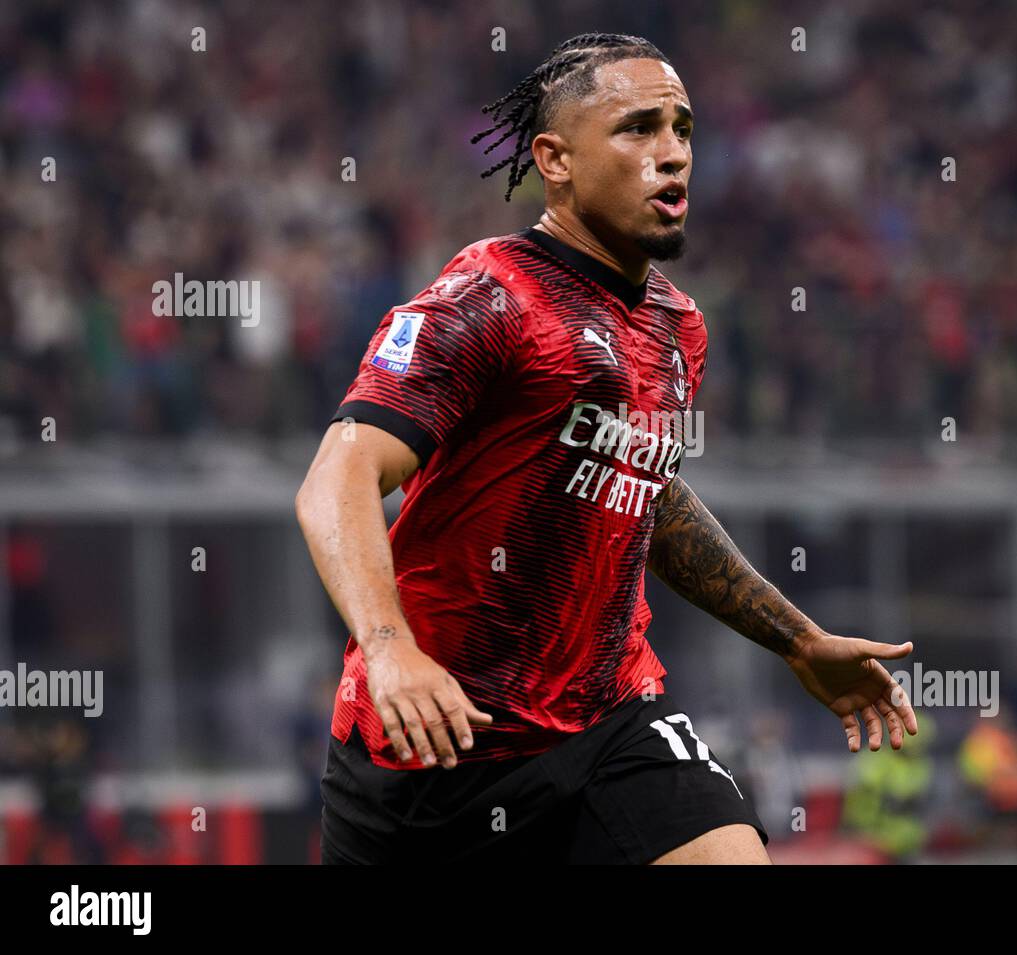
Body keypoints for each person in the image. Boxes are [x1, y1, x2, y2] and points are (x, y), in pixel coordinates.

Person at [296, 32, 918, 865]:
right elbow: (337, 475)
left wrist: (797, 638)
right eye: (638, 128)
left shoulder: (677, 325)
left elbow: (643, 490)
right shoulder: (486, 298)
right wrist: (388, 647)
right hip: (435, 741)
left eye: (683, 129)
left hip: (609, 723)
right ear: (555, 159)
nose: (673, 153)